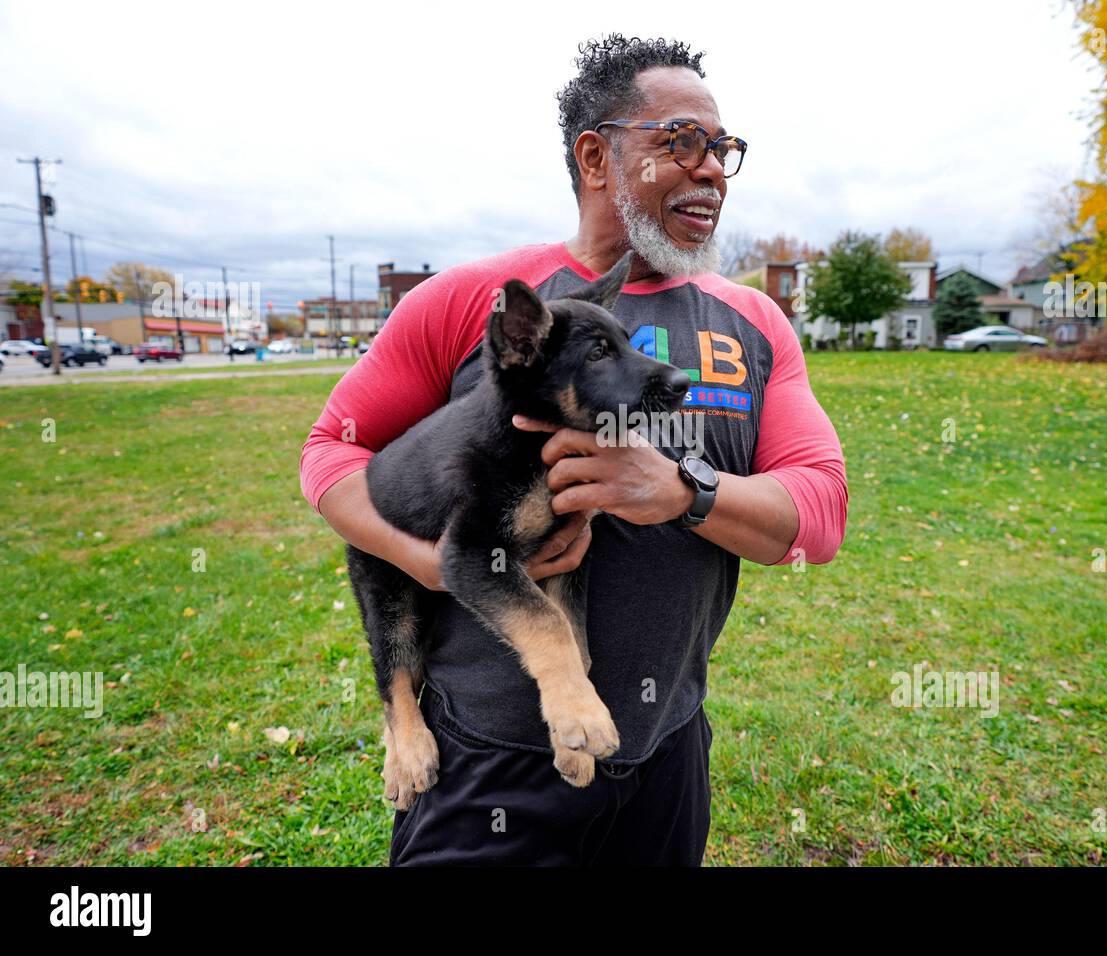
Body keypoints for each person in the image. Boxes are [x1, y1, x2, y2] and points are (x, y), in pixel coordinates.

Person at [299, 33, 848, 866]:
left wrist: (684, 492)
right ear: (596, 155)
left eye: (724, 150)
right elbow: (330, 454)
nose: (711, 170)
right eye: (681, 141)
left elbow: (818, 517)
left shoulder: (756, 324)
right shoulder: (460, 302)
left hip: (665, 748)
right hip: (487, 762)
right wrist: (424, 558)